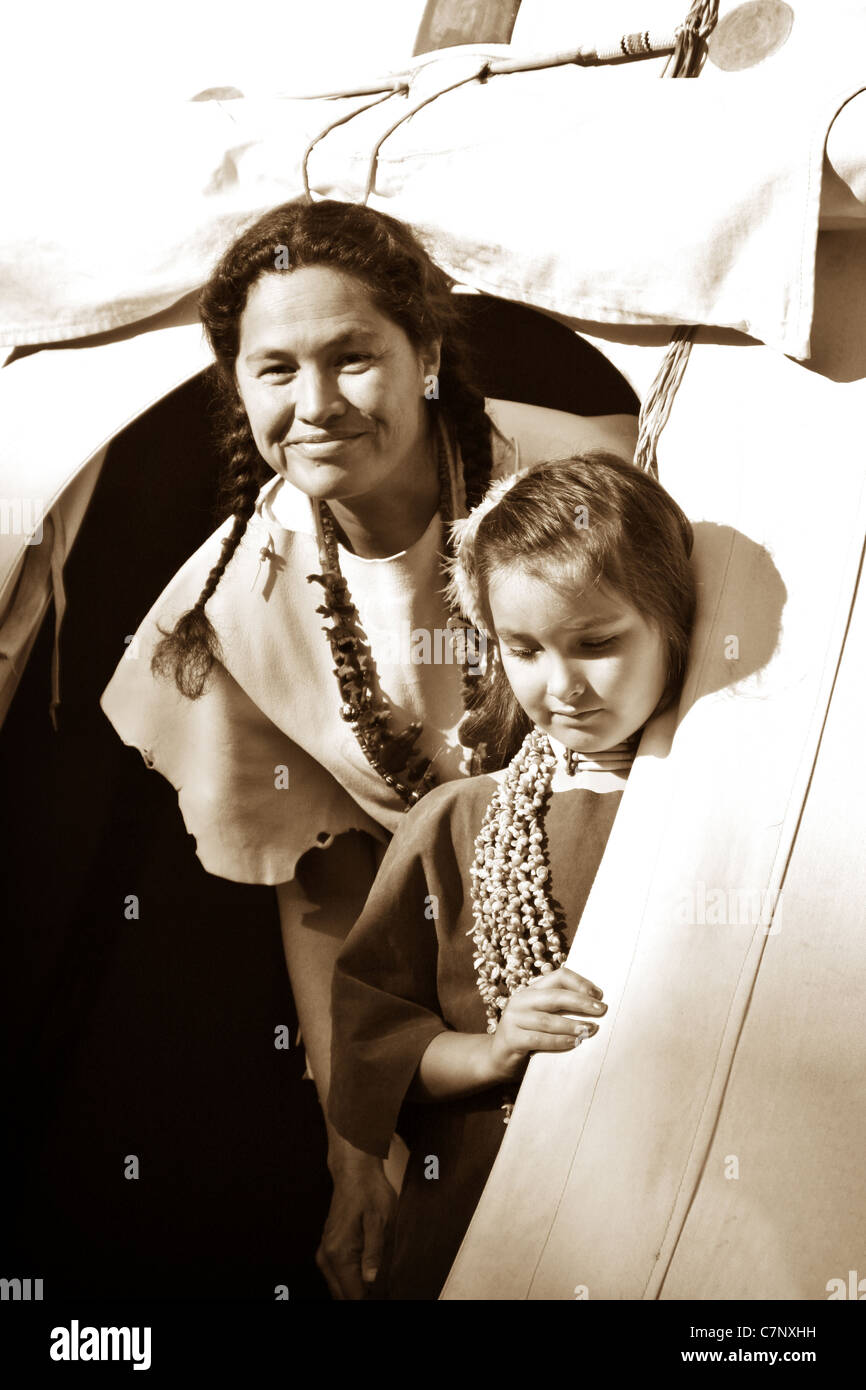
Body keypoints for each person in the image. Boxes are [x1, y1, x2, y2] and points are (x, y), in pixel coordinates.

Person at [99, 198, 638, 1299]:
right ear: (237, 386)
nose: (314, 404)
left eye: (353, 358)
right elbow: (330, 884)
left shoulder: (587, 481)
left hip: (637, 924)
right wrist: (355, 1151)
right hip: (453, 1007)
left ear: (426, 354)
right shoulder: (232, 602)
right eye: (275, 369)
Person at [328, 452, 695, 1299]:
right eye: (523, 648)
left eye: (597, 643)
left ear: (676, 623)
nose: (561, 685)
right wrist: (496, 1047)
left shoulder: (723, 817)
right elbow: (377, 1043)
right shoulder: (457, 823)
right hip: (481, 1219)